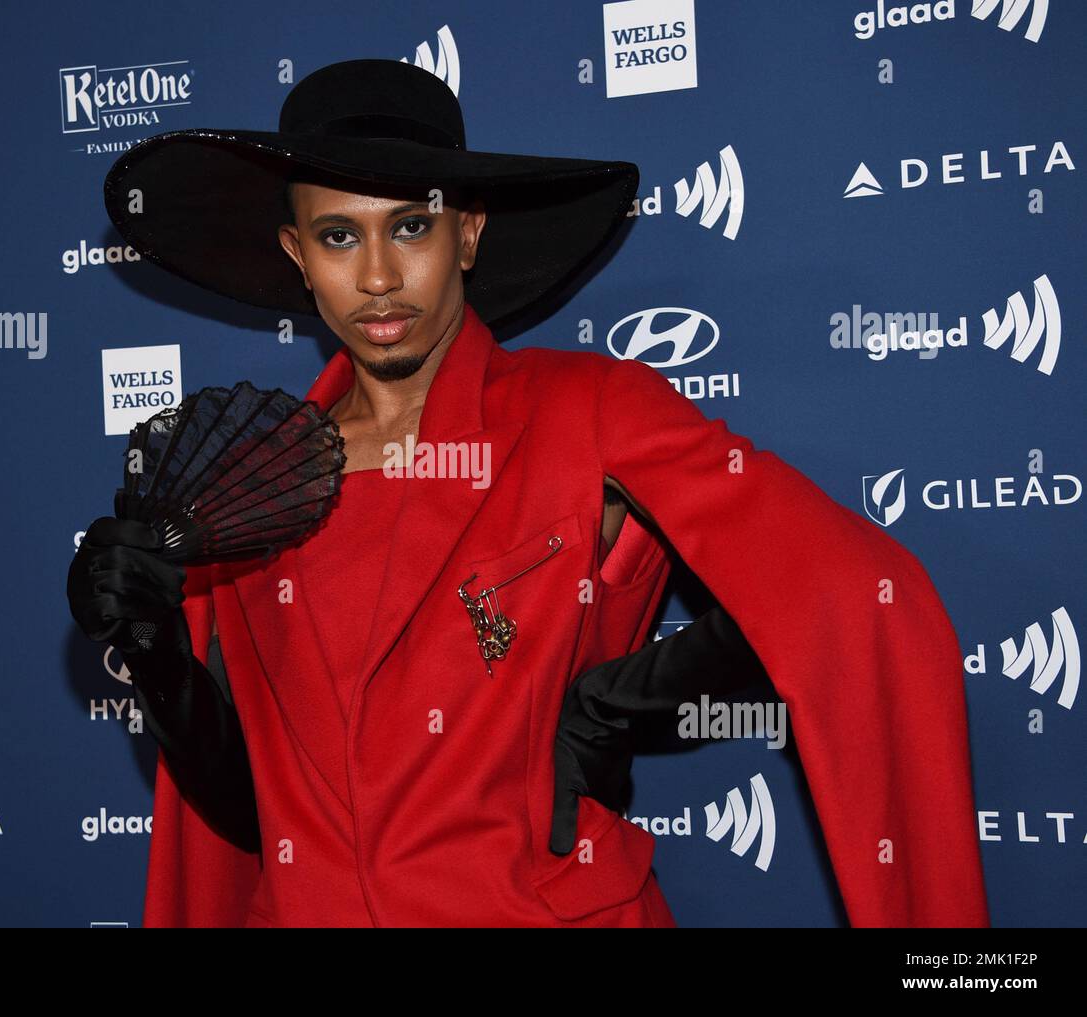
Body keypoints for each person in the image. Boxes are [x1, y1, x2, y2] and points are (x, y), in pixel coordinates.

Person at [68, 59, 989, 928]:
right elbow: (248, 812)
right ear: (297, 255)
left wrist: (614, 707)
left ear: (468, 233)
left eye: (413, 226)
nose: (379, 276)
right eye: (340, 235)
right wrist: (156, 658)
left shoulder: (591, 410)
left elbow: (844, 586)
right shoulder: (249, 487)